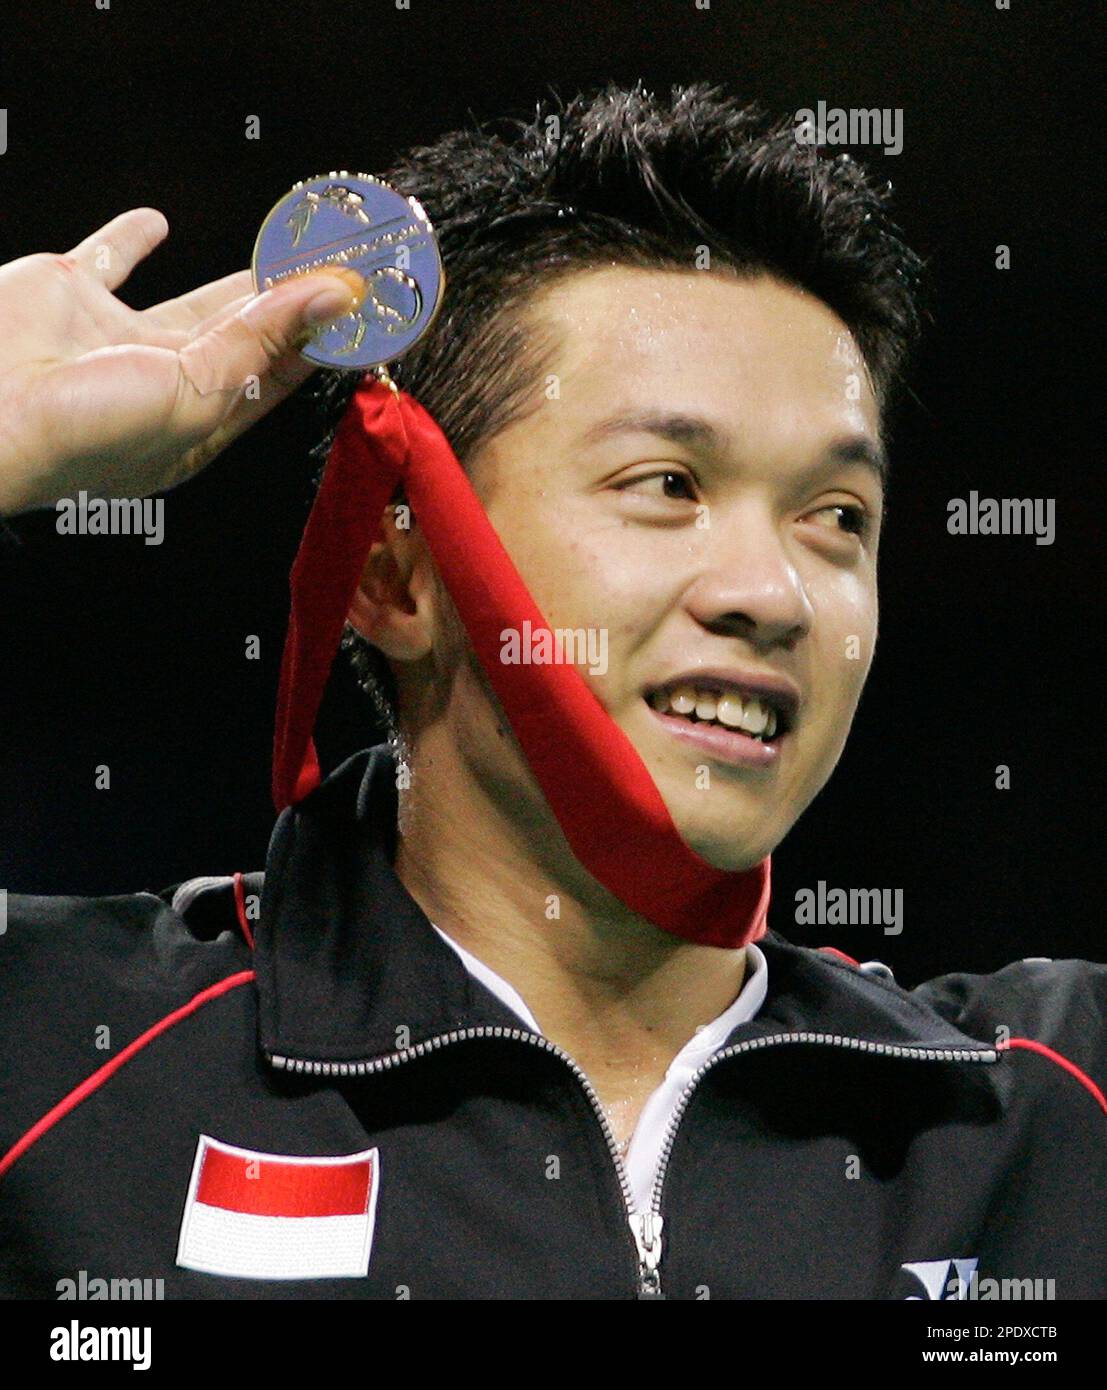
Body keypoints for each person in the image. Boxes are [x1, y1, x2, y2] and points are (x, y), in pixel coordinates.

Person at [0, 83, 1103, 1301]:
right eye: (667, 483)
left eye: (838, 517)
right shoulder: (57, 1053)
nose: (776, 592)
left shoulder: (1040, 1113)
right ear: (395, 575)